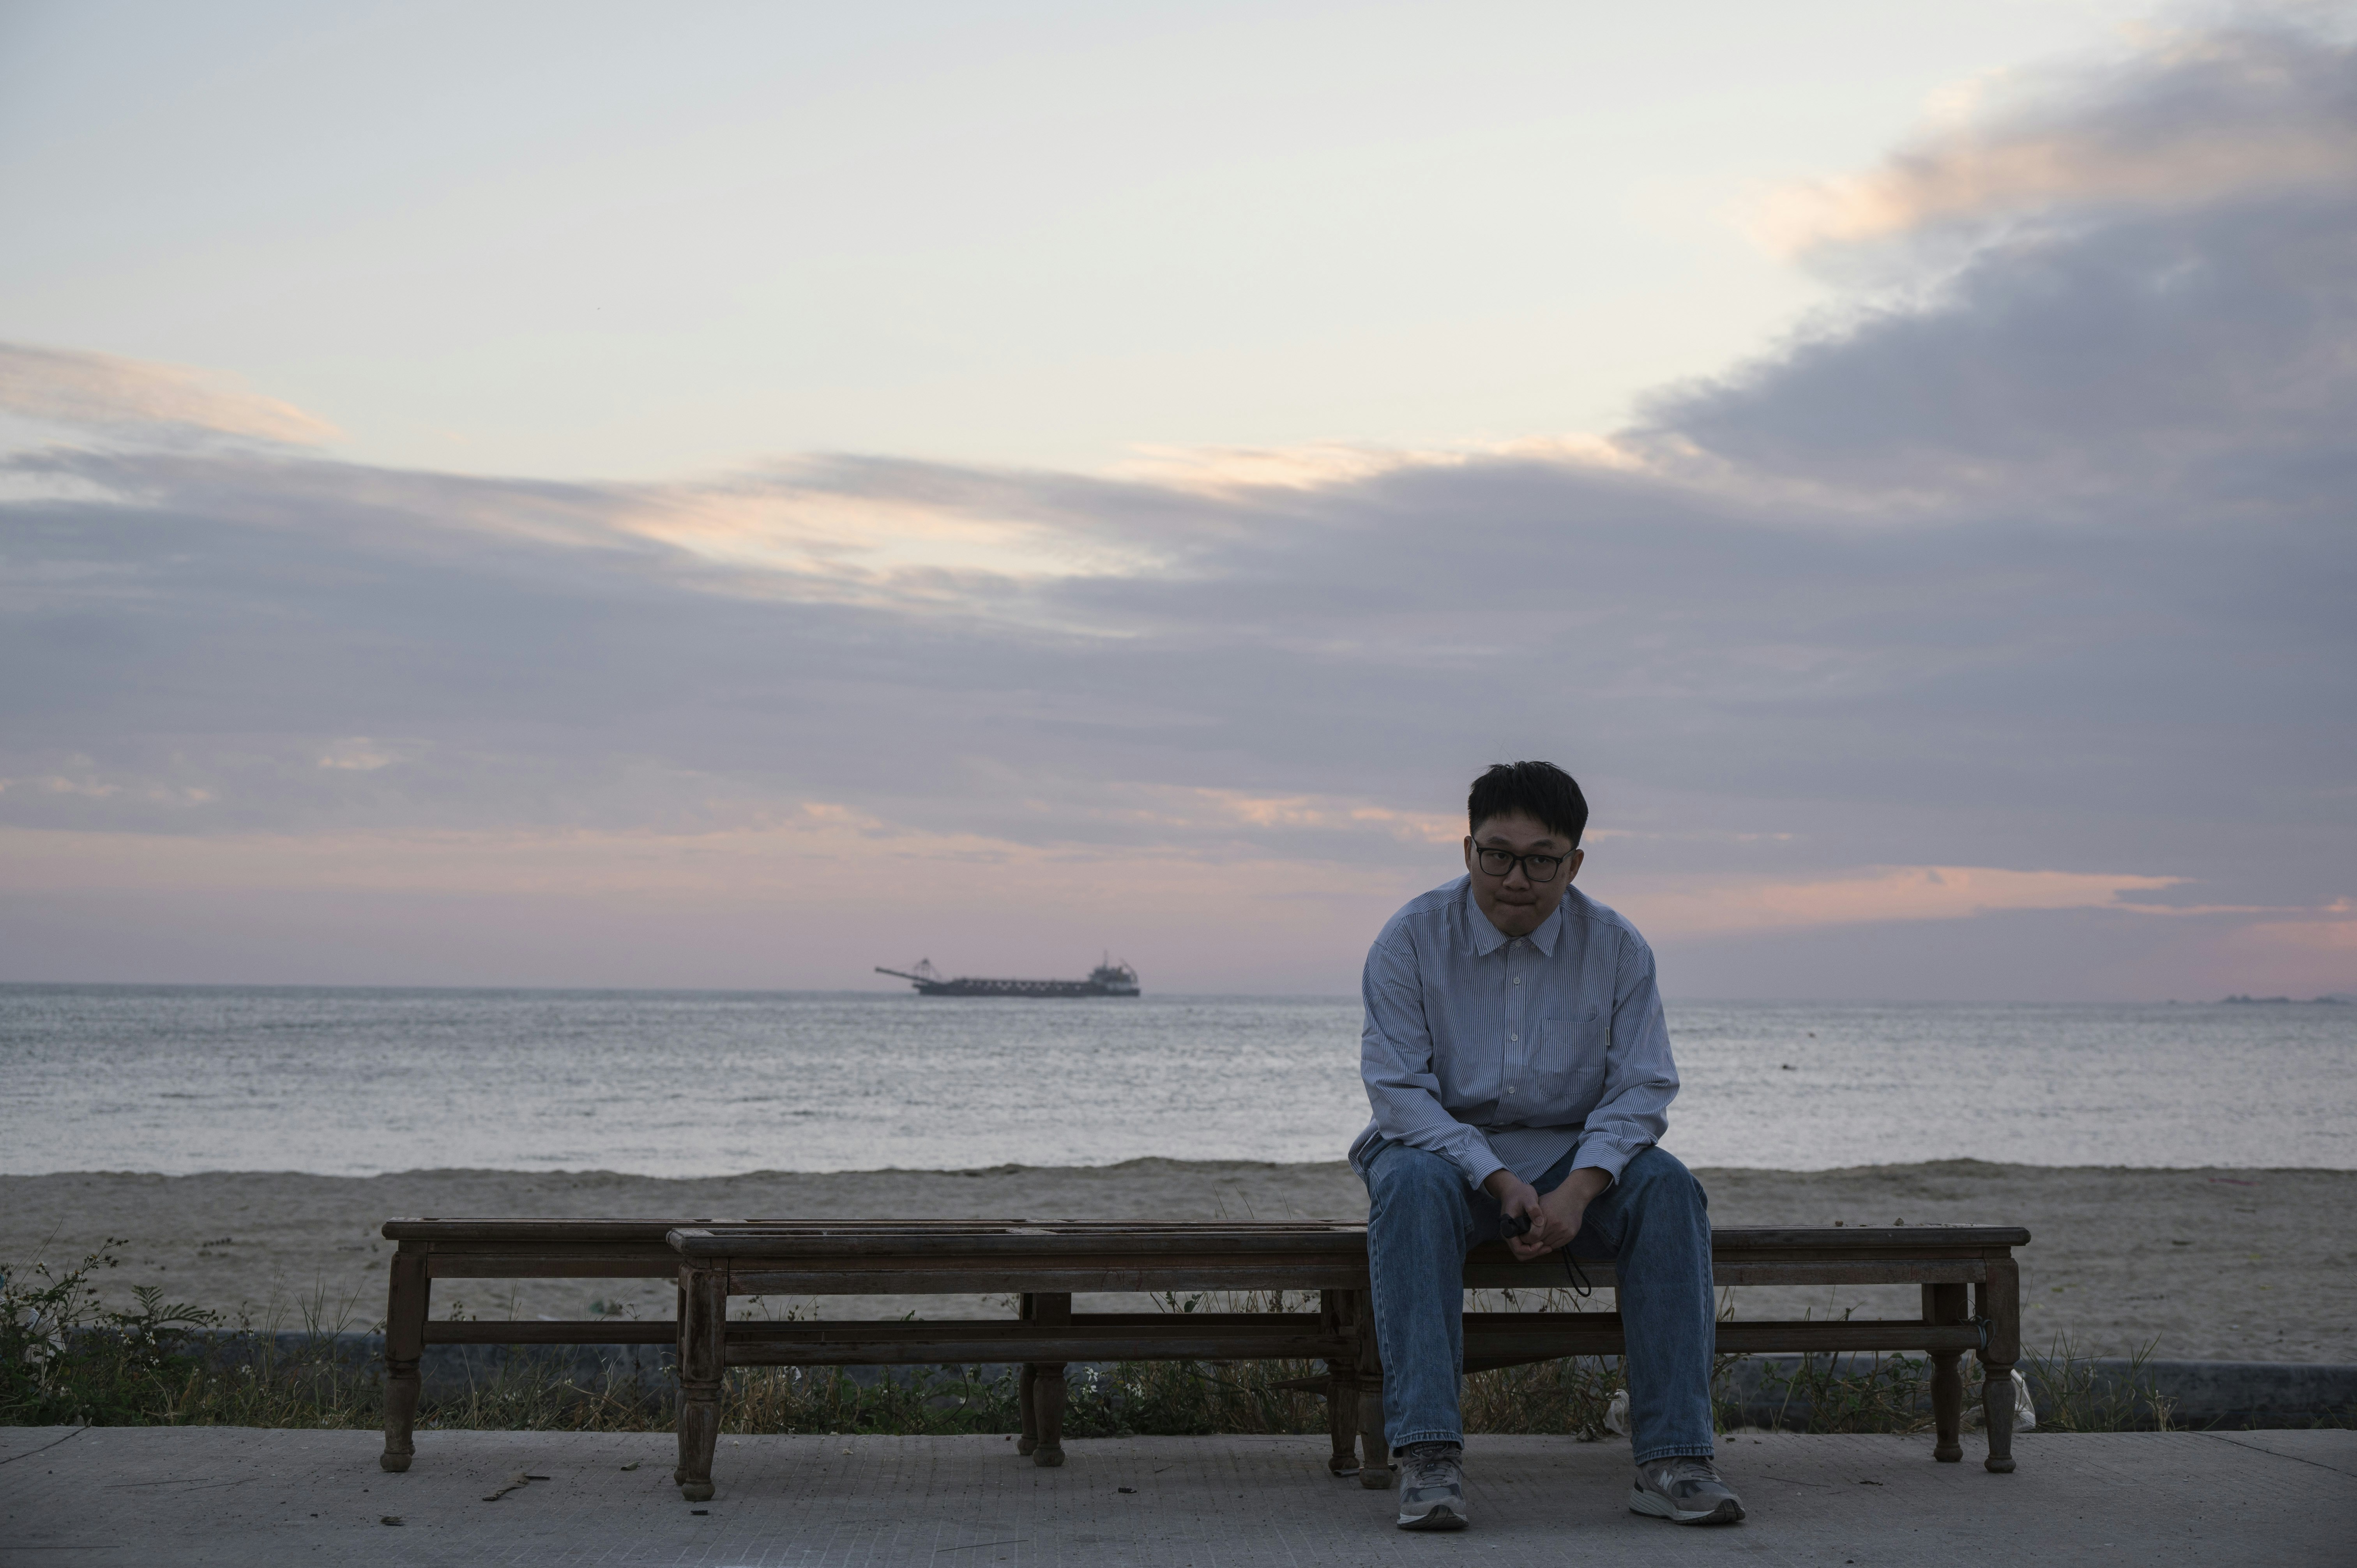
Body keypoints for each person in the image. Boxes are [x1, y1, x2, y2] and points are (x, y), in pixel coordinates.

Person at [1348, 760, 1742, 1531]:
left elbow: (1643, 1086)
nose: (1516, 877)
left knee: (1669, 1187)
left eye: (1541, 858)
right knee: (1411, 1186)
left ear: (1575, 863)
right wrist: (1494, 1175)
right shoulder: (1409, 940)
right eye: (1497, 853)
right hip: (1437, 1152)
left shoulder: (1619, 948)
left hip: (1572, 1155)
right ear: (1467, 850)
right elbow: (1397, 1090)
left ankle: (1674, 1458)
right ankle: (1429, 1456)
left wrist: (1581, 1186)